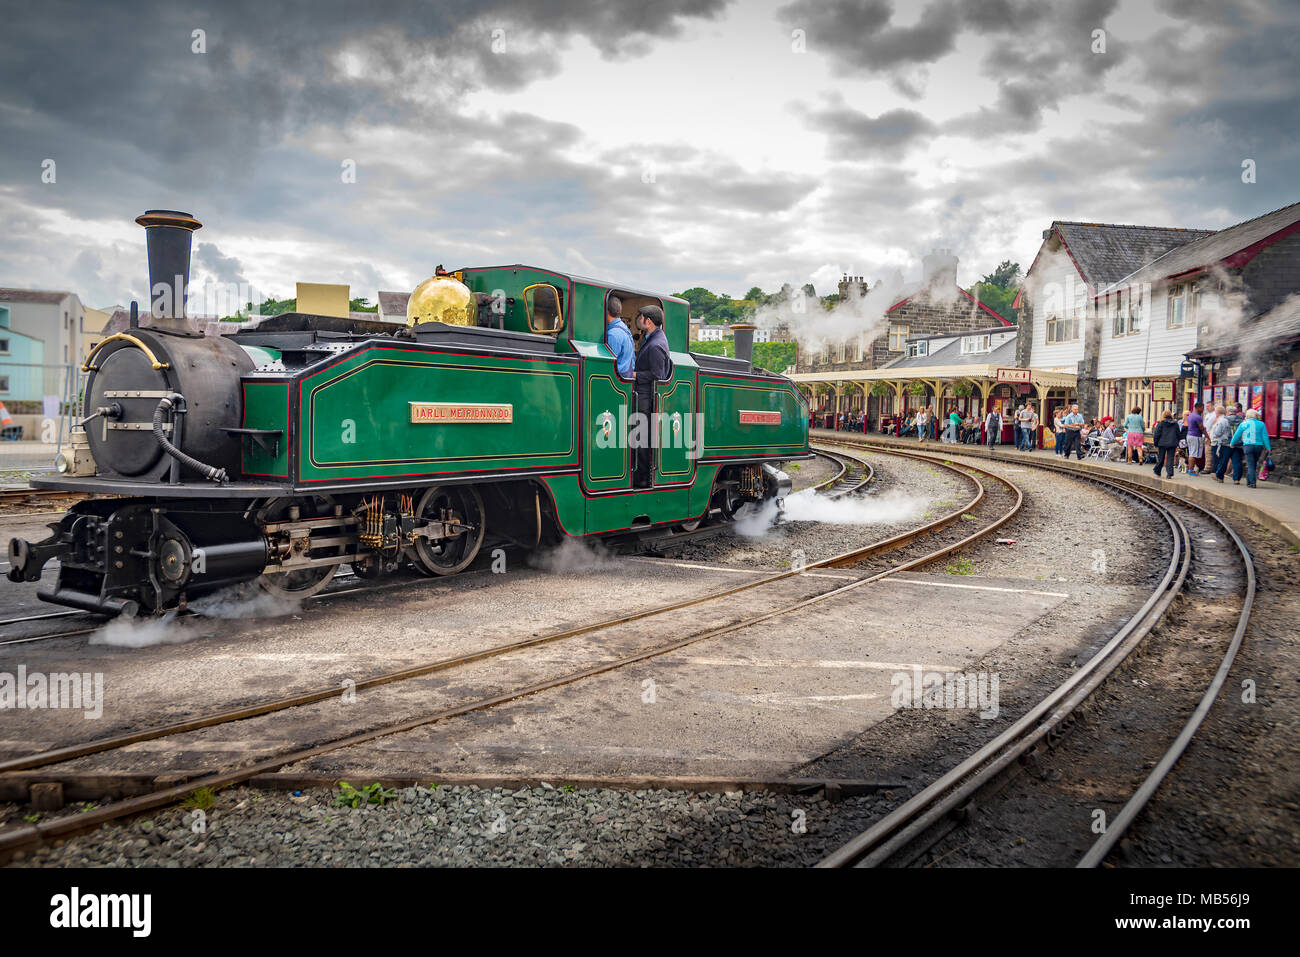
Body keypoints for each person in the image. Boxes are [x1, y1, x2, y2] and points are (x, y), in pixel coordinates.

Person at [631, 305, 672, 487]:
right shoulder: (653, 338)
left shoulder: (655, 345)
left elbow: (658, 376)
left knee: (641, 443)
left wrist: (635, 375)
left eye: (640, 317)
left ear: (648, 321)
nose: (638, 321)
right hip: (644, 397)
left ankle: (642, 480)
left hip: (646, 400)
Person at [1229, 409, 1272, 488]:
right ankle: (1249, 481)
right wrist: (1268, 447)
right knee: (1253, 464)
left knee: (1250, 464)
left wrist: (1232, 443)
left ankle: (1252, 482)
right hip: (1258, 446)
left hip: (1248, 446)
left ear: (1247, 416)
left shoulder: (1244, 424)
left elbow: (1237, 434)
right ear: (1256, 416)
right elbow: (1265, 436)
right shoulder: (1261, 424)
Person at [1212, 403, 1245, 483]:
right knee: (1237, 462)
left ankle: (1220, 477)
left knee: (1223, 461)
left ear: (1228, 412)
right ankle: (1236, 479)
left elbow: (1217, 433)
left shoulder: (1224, 420)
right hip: (1238, 445)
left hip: (1225, 444)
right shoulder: (1242, 421)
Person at [604, 295, 635, 378]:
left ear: (606, 311)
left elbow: (608, 366)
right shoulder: (624, 328)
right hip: (627, 375)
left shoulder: (612, 334)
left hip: (618, 377)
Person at [1151, 410, 1180, 478]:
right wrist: (1177, 442)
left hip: (1162, 443)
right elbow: (1178, 434)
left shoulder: (1161, 423)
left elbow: (1156, 434)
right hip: (1172, 443)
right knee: (1170, 458)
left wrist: (1155, 443)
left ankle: (1157, 471)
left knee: (1161, 458)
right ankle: (1169, 474)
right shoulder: (1175, 424)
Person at [1184, 403, 1205, 475]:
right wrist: (1208, 437)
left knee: (1191, 453)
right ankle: (1191, 470)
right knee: (1194, 454)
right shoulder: (1197, 417)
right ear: (1198, 407)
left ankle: (1191, 469)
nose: (1203, 410)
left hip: (1189, 435)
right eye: (1202, 408)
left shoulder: (1190, 415)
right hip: (1196, 436)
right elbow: (1202, 428)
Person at [1203, 402, 1222, 474]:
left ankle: (1208, 468)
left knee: (1209, 452)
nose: (1207, 408)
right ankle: (1208, 467)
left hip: (1211, 436)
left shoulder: (1214, 415)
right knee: (1207, 453)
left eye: (1208, 406)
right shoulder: (1207, 415)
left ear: (1213, 406)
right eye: (1206, 406)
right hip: (1206, 435)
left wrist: (1209, 436)